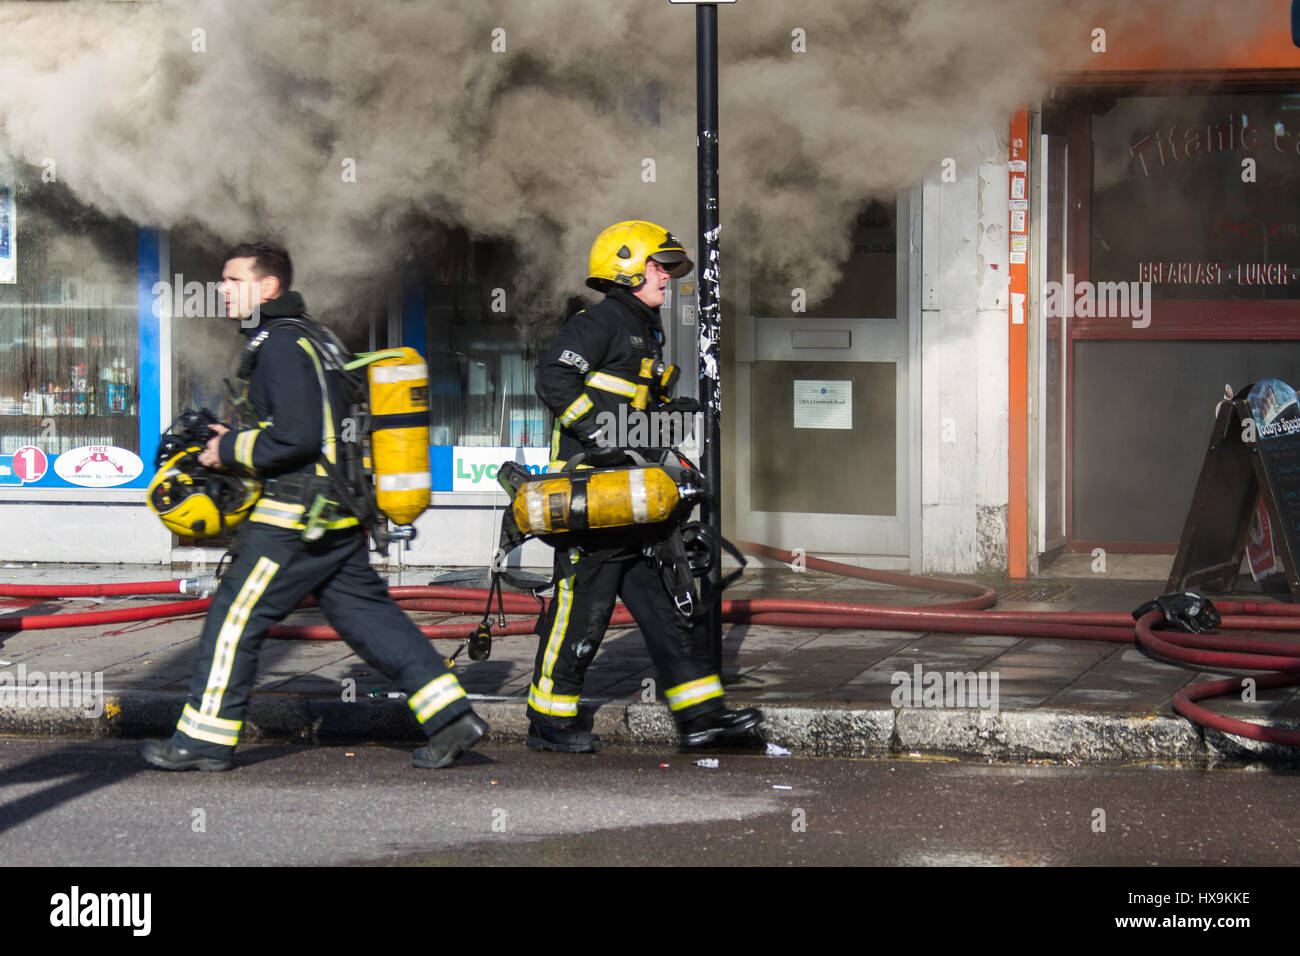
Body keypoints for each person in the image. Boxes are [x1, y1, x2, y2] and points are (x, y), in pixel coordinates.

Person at [139, 241, 487, 772]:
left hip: (292, 518)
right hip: (339, 514)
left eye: (234, 280)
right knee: (371, 620)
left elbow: (298, 437)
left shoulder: (277, 344)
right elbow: (314, 426)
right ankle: (451, 717)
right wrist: (236, 434)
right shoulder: (314, 338)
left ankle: (204, 739)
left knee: (234, 618)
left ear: (268, 287)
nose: (222, 289)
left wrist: (226, 448)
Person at [527, 220, 762, 753]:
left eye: (667, 268)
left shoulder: (643, 328)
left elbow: (628, 409)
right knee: (582, 607)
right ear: (626, 267)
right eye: (659, 266)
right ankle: (548, 719)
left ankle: (701, 717)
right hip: (594, 496)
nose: (667, 276)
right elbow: (553, 378)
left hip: (630, 495)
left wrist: (666, 420)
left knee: (663, 606)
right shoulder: (603, 320)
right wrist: (599, 436)